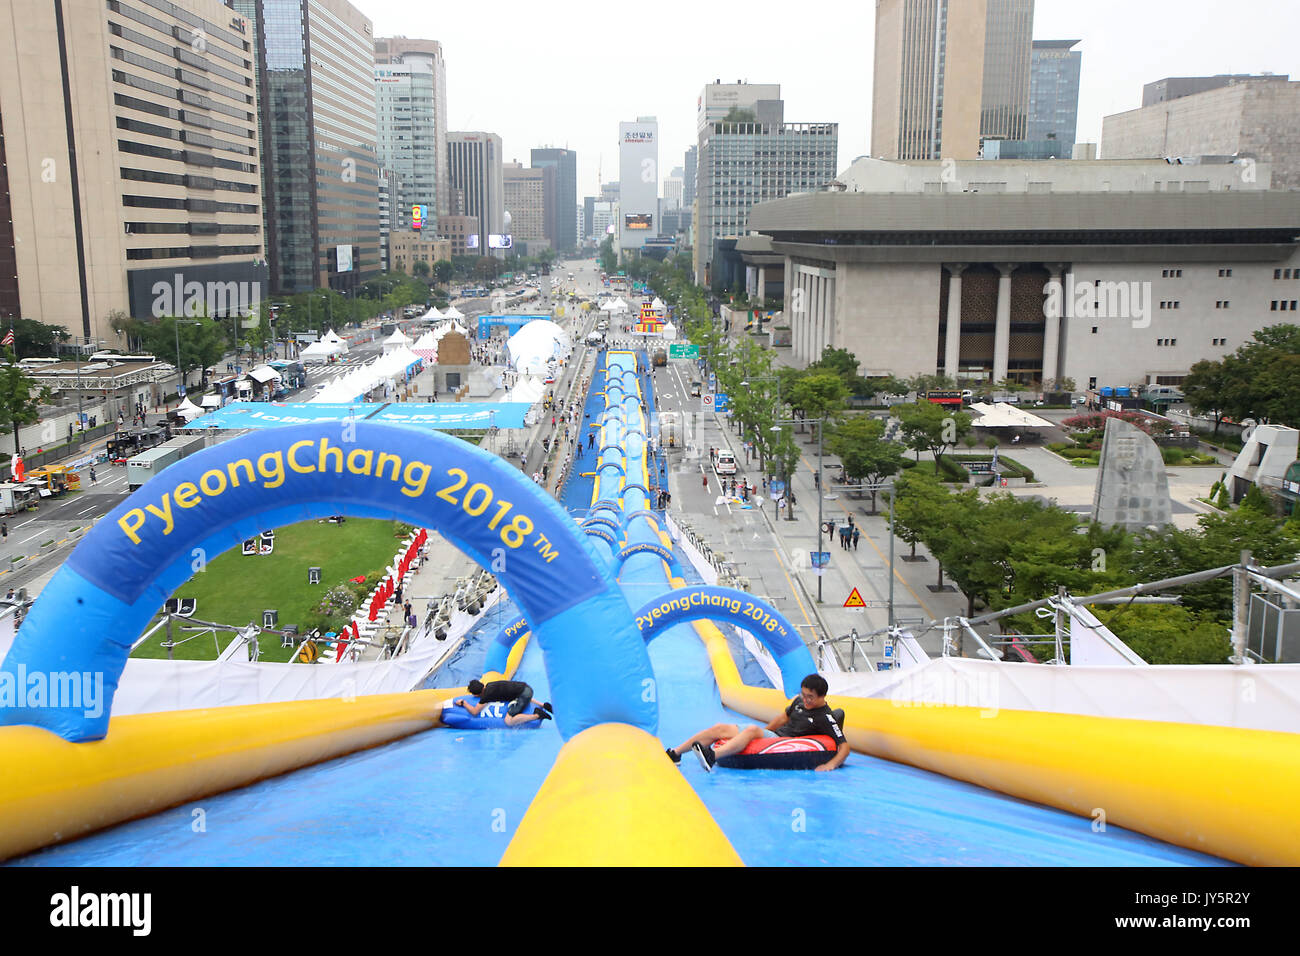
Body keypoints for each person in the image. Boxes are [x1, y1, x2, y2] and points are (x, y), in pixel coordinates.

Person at [666, 674, 849, 772]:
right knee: (719, 728)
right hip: (773, 736)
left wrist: (830, 765)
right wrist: (764, 732)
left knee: (751, 729)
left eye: (811, 697)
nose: (806, 700)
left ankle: (712, 756)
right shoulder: (799, 702)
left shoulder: (825, 717)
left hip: (784, 742)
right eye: (804, 694)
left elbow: (844, 747)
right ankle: (676, 753)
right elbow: (783, 718)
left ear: (822, 696)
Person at [454, 678, 553, 727]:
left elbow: (475, 712)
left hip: (524, 694)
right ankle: (544, 705)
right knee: (517, 697)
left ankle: (537, 715)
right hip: (526, 688)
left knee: (508, 721)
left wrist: (464, 703)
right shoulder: (489, 685)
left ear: (476, 694)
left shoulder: (486, 696)